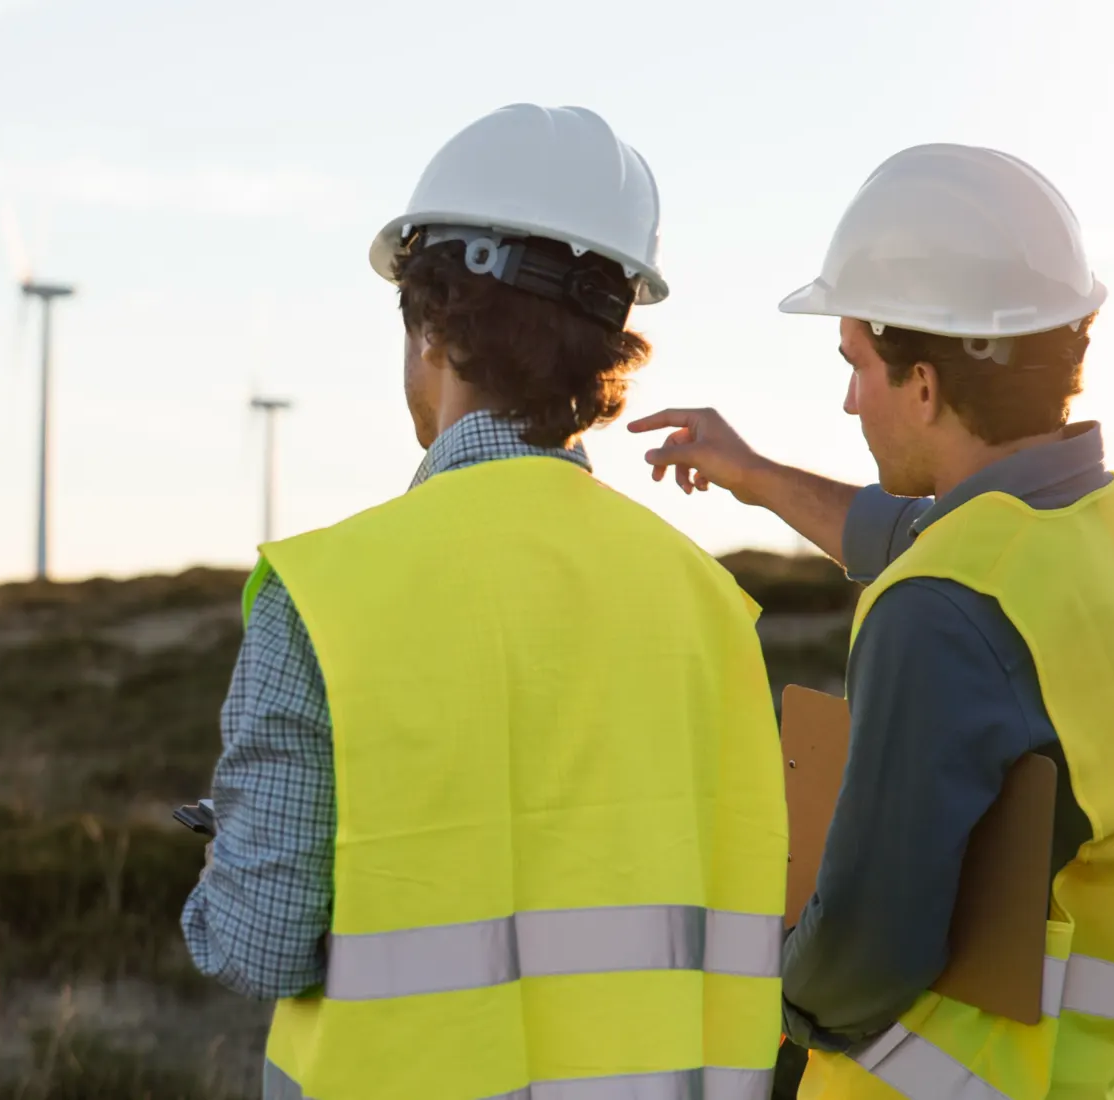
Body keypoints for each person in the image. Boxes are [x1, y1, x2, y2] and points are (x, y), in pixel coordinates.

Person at [181, 103, 789, 1100]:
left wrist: (234, 859)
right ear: (606, 353)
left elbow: (259, 944)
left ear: (431, 326)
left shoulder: (327, 596)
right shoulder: (711, 607)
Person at [632, 142, 1114, 1100]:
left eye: (856, 364)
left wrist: (777, 984)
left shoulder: (938, 611)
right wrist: (756, 478)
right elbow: (911, 534)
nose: (847, 399)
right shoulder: (1113, 531)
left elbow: (866, 952)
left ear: (923, 383)